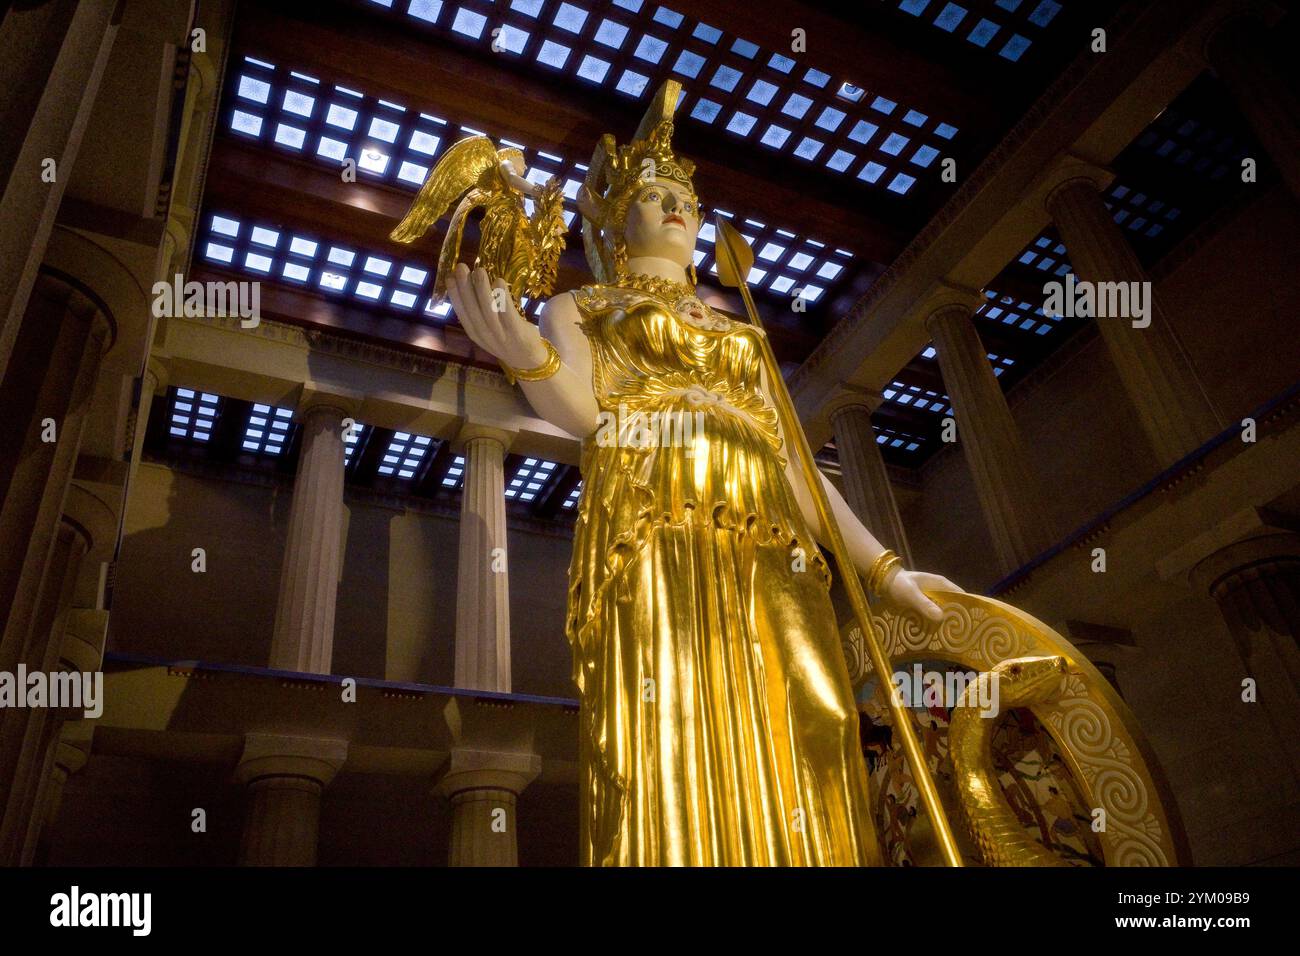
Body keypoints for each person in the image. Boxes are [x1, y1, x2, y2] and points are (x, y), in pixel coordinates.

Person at [444, 85, 960, 866]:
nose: (675, 207)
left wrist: (885, 572)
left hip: (774, 540)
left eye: (684, 197)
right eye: (653, 196)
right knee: (672, 718)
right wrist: (527, 357)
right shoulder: (584, 305)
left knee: (820, 715)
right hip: (658, 524)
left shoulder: (744, 336)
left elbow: (797, 466)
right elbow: (590, 414)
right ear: (617, 222)